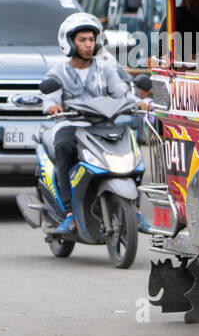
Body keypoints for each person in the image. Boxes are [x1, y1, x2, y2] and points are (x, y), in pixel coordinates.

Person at [42, 13, 148, 235]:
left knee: (134, 154)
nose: (88, 45)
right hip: (71, 126)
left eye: (91, 39)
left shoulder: (105, 69)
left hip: (102, 126)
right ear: (70, 42)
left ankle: (135, 210)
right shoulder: (58, 72)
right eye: (82, 40)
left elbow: (122, 93)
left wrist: (139, 103)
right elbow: (50, 98)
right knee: (63, 149)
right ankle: (69, 214)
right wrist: (53, 106)